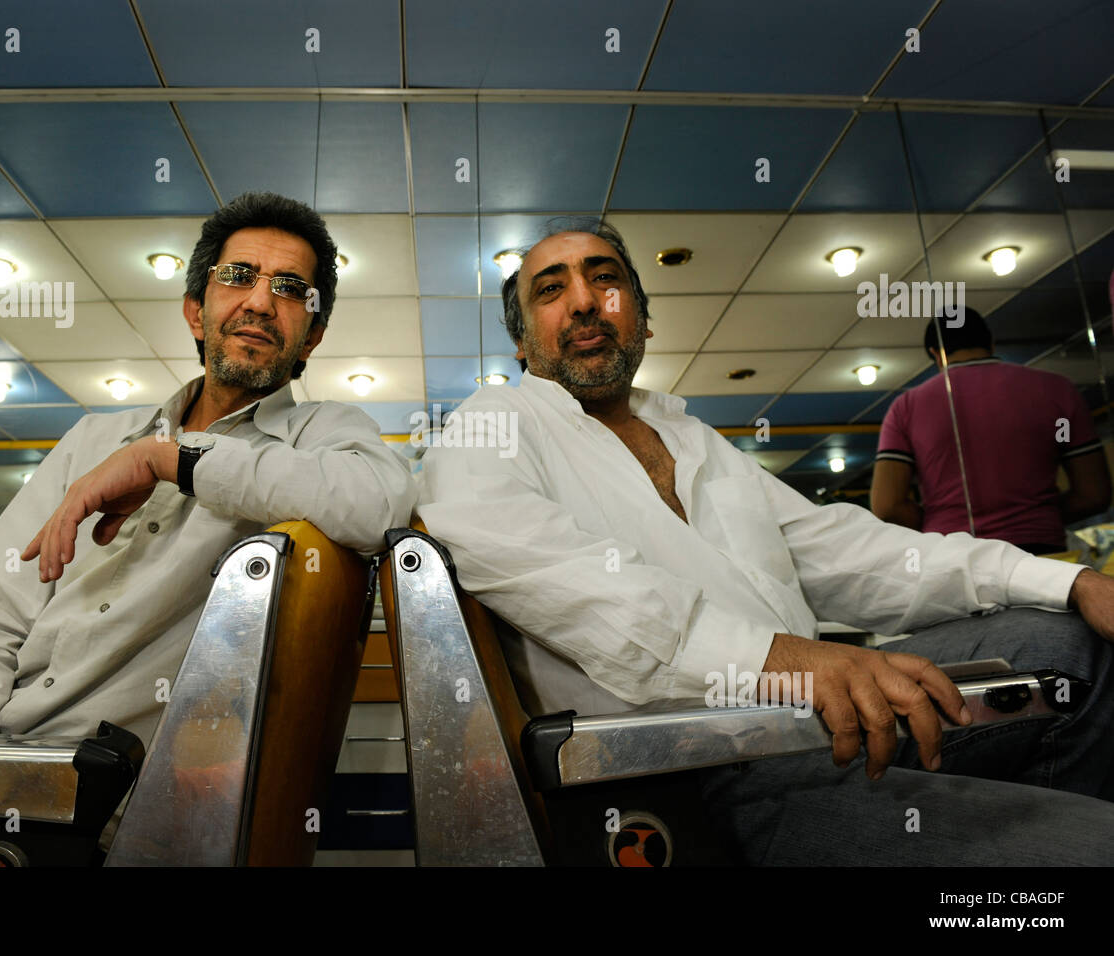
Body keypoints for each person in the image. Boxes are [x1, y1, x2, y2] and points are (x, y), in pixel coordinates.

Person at [416, 219, 1114, 865]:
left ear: (642, 317)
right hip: (700, 775)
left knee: (1070, 640)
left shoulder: (692, 439)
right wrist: (789, 660)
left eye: (605, 279)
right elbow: (561, 577)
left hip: (819, 728)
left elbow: (855, 550)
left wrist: (1069, 581)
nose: (583, 302)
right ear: (521, 341)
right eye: (551, 289)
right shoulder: (495, 424)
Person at [0, 191, 417, 866]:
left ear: (312, 333)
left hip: (96, 807)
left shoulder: (323, 437)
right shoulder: (93, 437)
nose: (259, 301)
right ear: (196, 309)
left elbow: (379, 507)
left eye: (290, 289)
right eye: (238, 276)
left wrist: (168, 460)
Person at [871, 308, 1110, 554]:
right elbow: (1093, 493)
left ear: (935, 354)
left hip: (954, 554)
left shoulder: (906, 408)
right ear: (991, 343)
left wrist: (939, 525)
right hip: (1041, 553)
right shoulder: (1059, 392)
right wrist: (1036, 516)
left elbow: (888, 506)